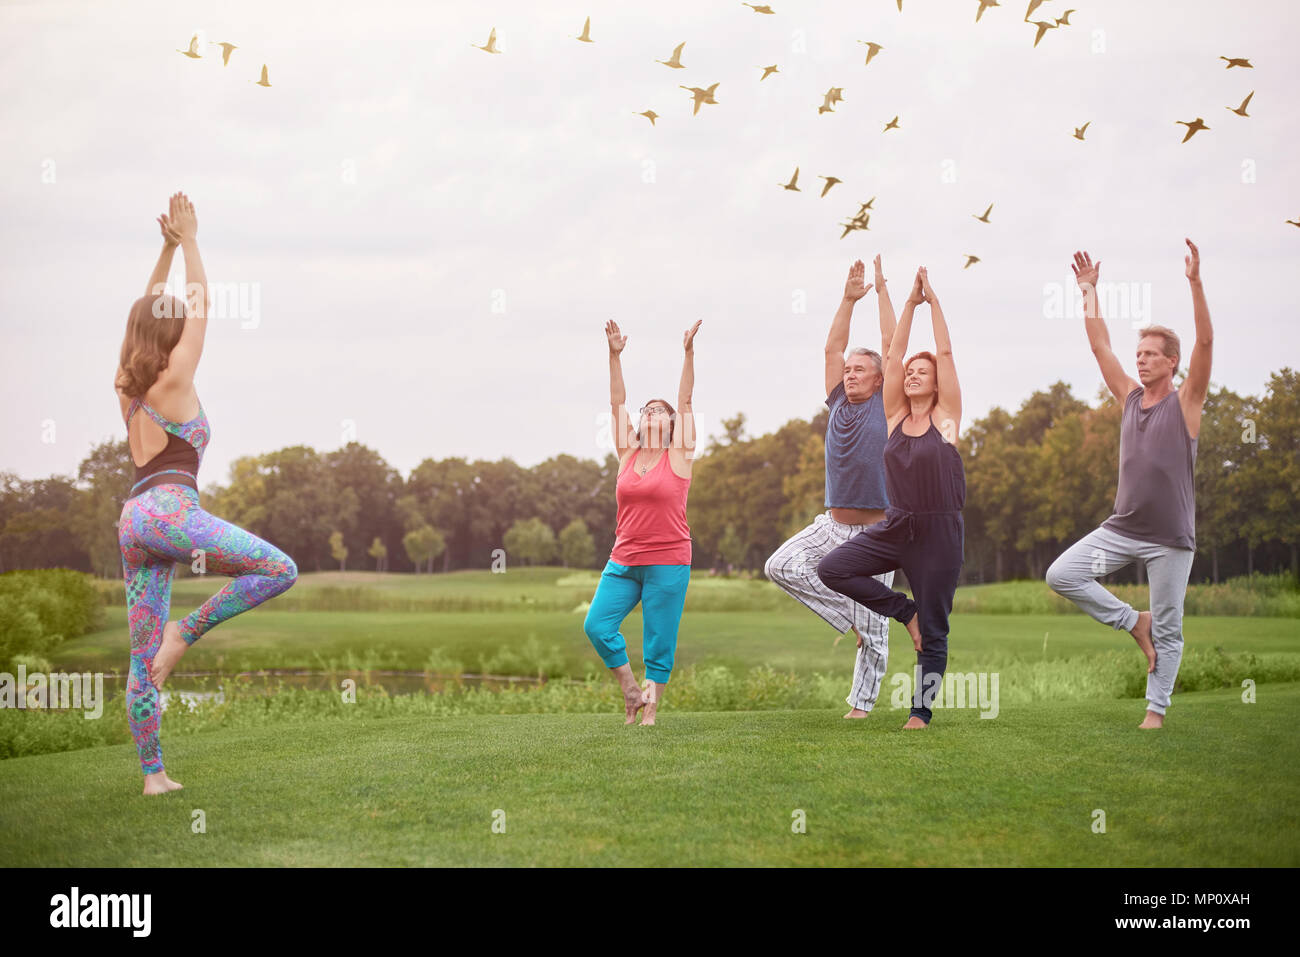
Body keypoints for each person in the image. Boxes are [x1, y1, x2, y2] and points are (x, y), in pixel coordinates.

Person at [116, 192, 298, 794]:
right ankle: (185, 633)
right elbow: (201, 305)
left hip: (132, 519)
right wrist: (190, 240)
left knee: (141, 659)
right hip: (170, 511)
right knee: (278, 568)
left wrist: (161, 250)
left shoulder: (129, 385)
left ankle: (153, 777)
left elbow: (135, 322)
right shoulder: (176, 375)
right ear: (166, 332)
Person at [1046, 242, 1213, 729]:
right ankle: (1131, 622)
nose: (1139, 361)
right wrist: (1089, 292)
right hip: (1121, 530)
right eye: (1137, 353)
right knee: (1062, 575)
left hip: (1169, 540)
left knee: (1171, 624)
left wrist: (1195, 283)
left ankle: (1155, 711)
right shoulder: (1129, 397)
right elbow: (1100, 346)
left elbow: (1205, 344)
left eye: (1150, 355)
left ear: (1172, 363)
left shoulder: (1186, 404)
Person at [816, 266, 965, 729]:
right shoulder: (895, 414)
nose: (915, 374)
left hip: (940, 531)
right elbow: (894, 351)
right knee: (832, 567)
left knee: (936, 630)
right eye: (911, 372)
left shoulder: (947, 420)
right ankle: (905, 611)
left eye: (924, 372)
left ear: (938, 383)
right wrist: (907, 304)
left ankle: (920, 712)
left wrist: (934, 303)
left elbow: (943, 349)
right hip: (897, 525)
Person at [765, 256, 899, 719]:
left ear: (880, 378)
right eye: (849, 368)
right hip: (833, 524)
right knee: (780, 565)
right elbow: (830, 349)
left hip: (878, 535)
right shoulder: (838, 401)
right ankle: (854, 616)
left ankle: (861, 706)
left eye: (860, 369)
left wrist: (881, 292)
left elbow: (891, 344)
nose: (850, 372)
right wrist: (847, 298)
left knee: (878, 632)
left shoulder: (887, 403)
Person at [583, 319, 700, 726]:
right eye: (647, 409)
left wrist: (687, 353)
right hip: (624, 557)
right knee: (597, 624)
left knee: (658, 638)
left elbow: (685, 401)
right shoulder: (627, 453)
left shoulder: (680, 454)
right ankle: (631, 691)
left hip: (668, 558)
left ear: (671, 426)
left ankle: (651, 709)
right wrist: (614, 356)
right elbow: (617, 403)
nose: (652, 412)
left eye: (659, 411)